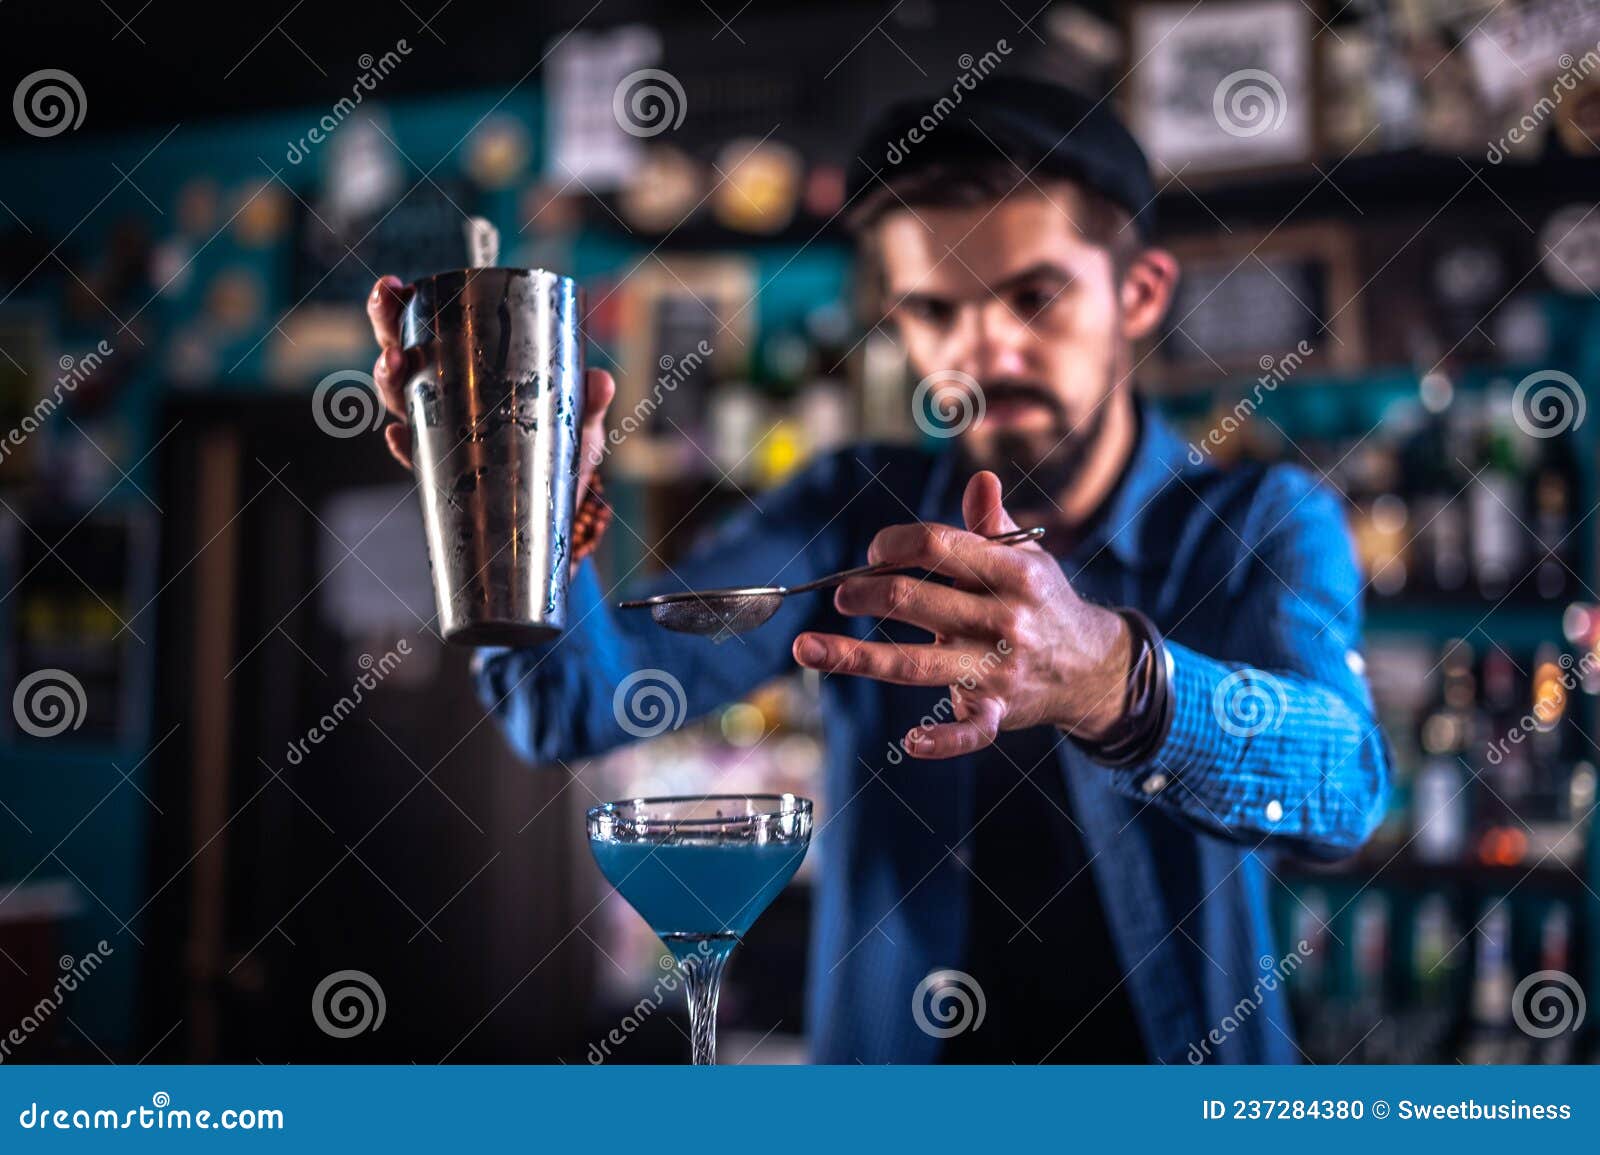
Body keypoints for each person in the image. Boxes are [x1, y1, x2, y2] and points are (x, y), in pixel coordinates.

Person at [364, 77, 1390, 1064]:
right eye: (934, 311)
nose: (984, 348)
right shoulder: (853, 509)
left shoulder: (1260, 522)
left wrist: (1114, 683)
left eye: (1033, 296)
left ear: (1139, 292)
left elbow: (1344, 793)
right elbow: (575, 706)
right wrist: (516, 511)